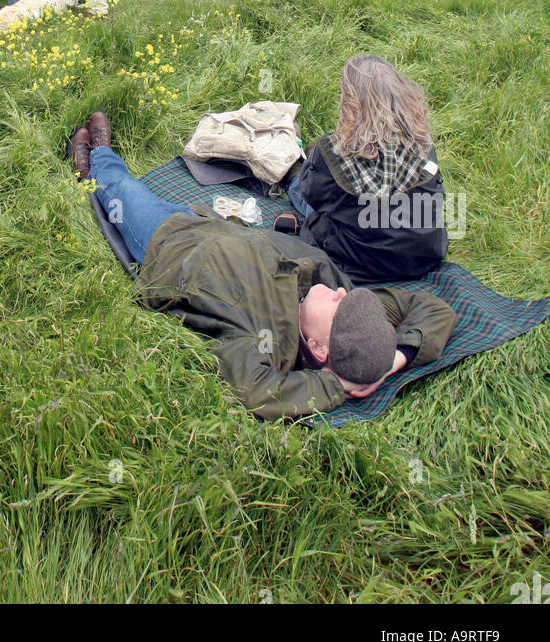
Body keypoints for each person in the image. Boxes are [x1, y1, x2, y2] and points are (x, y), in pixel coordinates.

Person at [67, 113, 456, 421]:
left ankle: (96, 160)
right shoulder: (340, 297)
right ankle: (102, 164)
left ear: (318, 348)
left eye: (338, 307)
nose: (342, 292)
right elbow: (433, 309)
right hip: (210, 222)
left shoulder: (264, 340)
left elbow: (255, 392)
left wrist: (334, 386)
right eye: (348, 297)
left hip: (170, 245)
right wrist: (393, 360)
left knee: (124, 190)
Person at [282, 56, 449, 285]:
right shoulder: (423, 144)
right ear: (402, 95)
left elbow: (311, 193)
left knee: (300, 187)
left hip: (359, 263)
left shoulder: (333, 151)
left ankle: (293, 167)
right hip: (421, 256)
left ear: (351, 104)